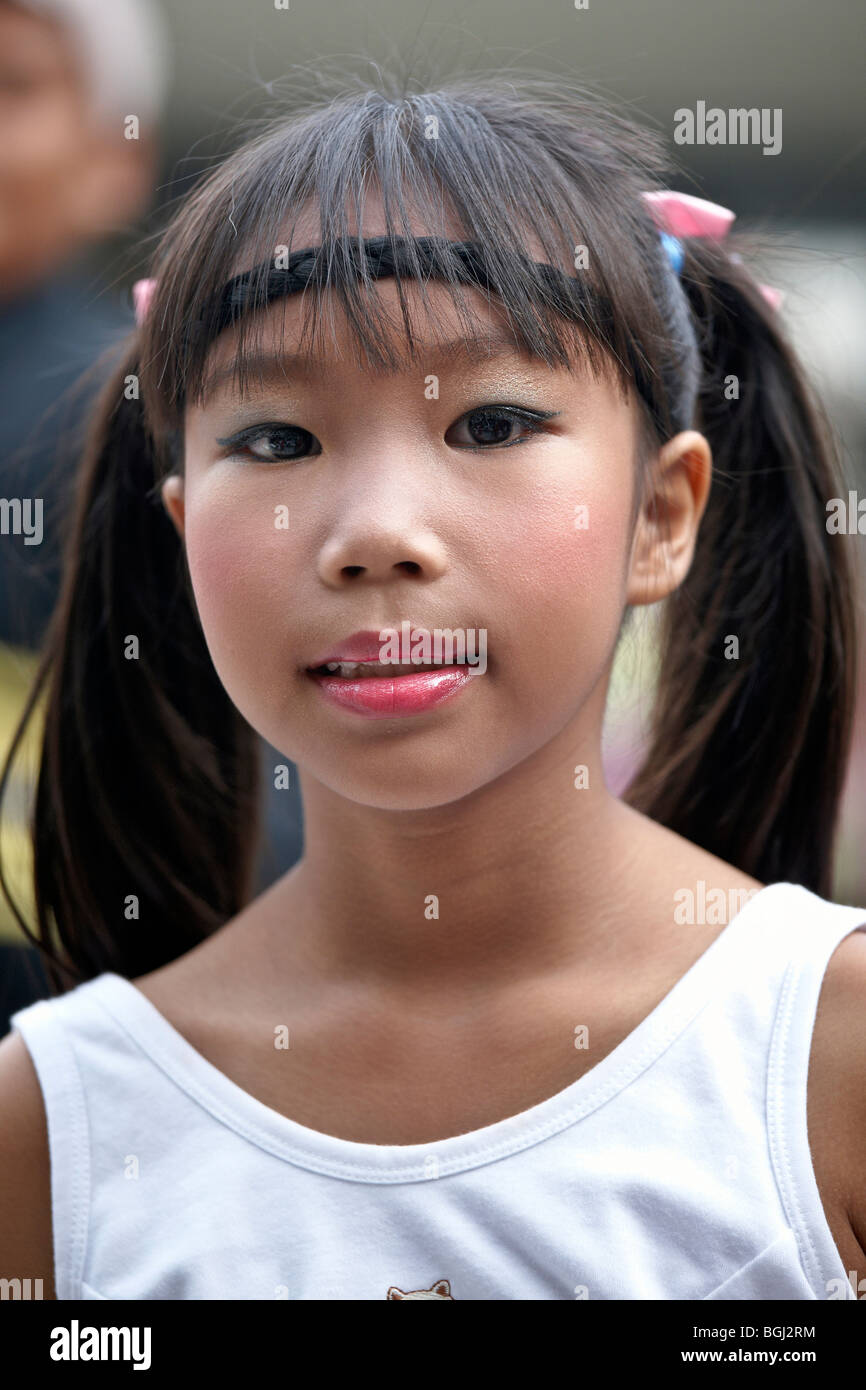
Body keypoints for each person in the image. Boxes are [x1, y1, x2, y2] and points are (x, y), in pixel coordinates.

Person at [0, 71, 864, 1301]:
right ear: (183, 527)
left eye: (492, 423)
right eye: (276, 439)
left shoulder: (825, 1054)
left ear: (658, 516)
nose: (376, 533)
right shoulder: (58, 1126)